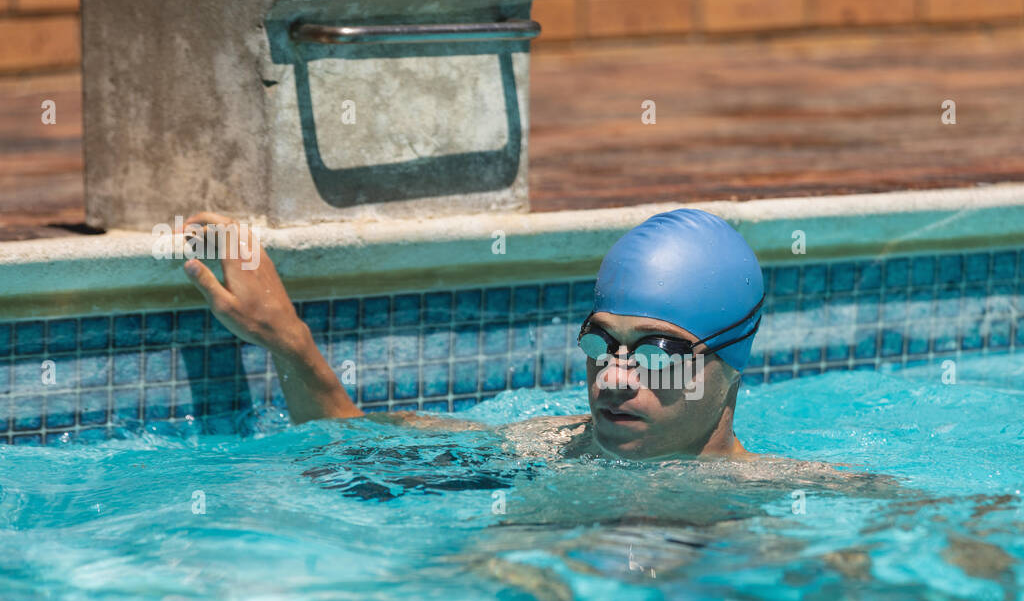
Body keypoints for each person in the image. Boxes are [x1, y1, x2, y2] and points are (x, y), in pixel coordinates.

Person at [180, 208, 772, 462]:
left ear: (732, 364)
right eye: (601, 343)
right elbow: (343, 449)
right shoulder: (548, 449)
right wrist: (288, 341)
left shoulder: (784, 501)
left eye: (659, 354)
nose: (615, 379)